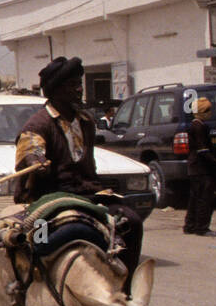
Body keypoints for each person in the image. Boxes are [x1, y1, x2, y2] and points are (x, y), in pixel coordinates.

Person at [14, 56, 143, 282]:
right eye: (72, 85)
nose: (79, 89)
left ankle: (125, 288)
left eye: (79, 83)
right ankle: (29, 285)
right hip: (49, 196)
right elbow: (30, 151)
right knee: (39, 238)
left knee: (131, 222)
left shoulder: (86, 121)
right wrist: (36, 161)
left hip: (88, 194)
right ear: (55, 91)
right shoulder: (37, 124)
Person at [184, 97, 216, 236]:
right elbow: (203, 150)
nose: (211, 113)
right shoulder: (199, 127)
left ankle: (190, 226)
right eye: (209, 110)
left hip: (194, 167)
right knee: (205, 198)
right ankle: (201, 228)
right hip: (201, 168)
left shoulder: (194, 125)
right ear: (204, 111)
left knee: (195, 197)